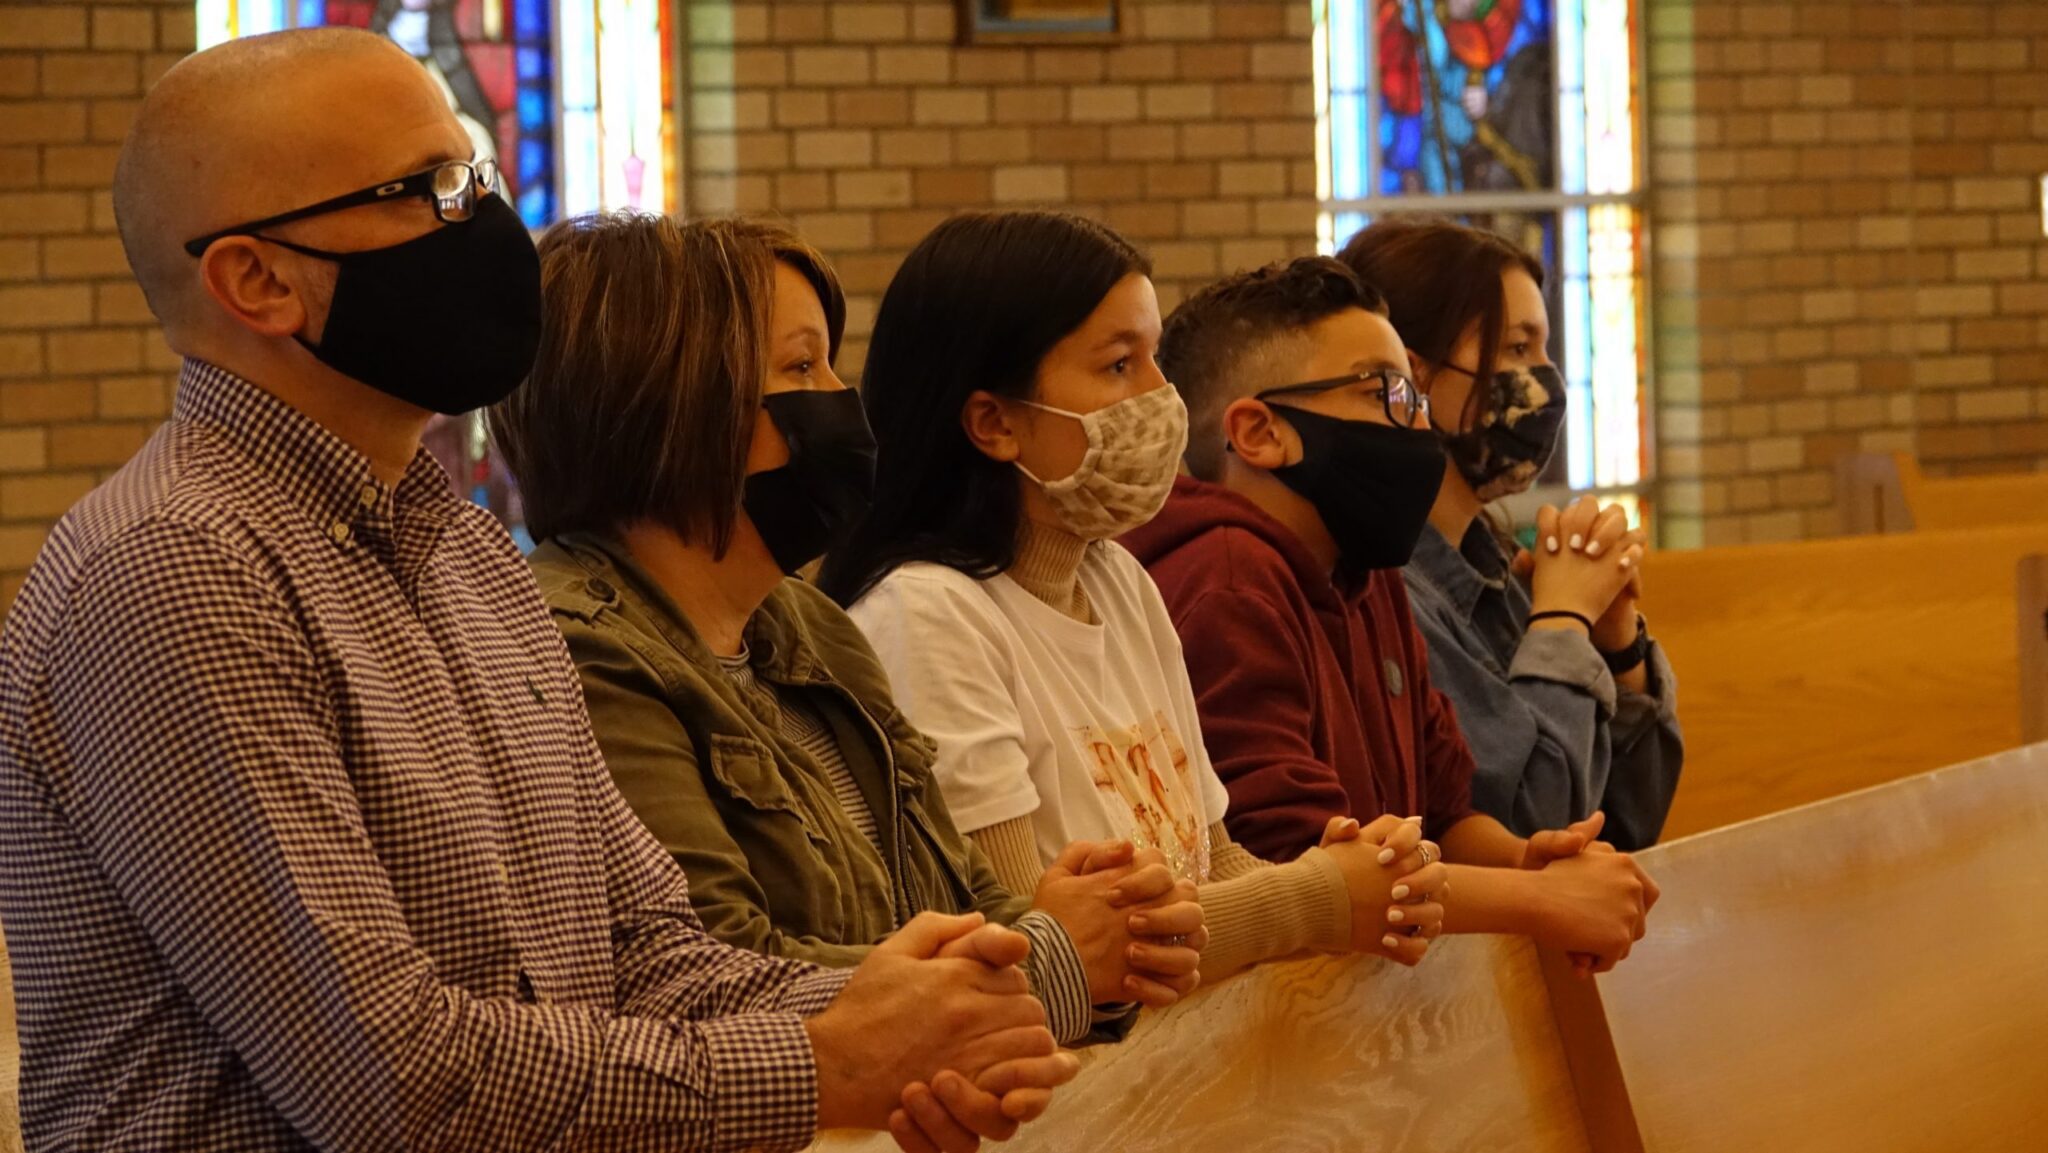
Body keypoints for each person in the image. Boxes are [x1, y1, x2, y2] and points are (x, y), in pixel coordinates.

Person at [0, 30, 1074, 1151]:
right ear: (257, 279)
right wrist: (822, 1065)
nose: (488, 231)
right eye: (427, 193)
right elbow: (392, 1084)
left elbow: (642, 952)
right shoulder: (176, 571)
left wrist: (908, 1020)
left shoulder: (468, 556)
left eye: (479, 178)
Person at [489, 212, 1207, 1052]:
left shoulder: (806, 624)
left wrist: (1098, 939)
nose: (843, 400)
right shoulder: (578, 651)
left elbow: (960, 889)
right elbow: (713, 971)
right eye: (802, 366)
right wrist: (1052, 959)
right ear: (674, 408)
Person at [822, 211, 1451, 984]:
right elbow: (1031, 941)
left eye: (1155, 357)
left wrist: (1375, 876)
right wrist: (1317, 896)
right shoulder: (926, 617)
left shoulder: (1117, 579)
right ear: (993, 421)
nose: (1162, 396)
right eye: (1120, 366)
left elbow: (1211, 857)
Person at [1122, 255, 1660, 975]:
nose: (1418, 423)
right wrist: (1536, 901)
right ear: (1257, 433)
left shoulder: (1363, 567)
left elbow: (1442, 809)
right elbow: (1307, 872)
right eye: (1386, 392)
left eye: (1413, 395)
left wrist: (1526, 860)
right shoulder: (1228, 584)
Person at [1339, 219, 1683, 850]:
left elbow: (1630, 825)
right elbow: (1530, 838)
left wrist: (1617, 649)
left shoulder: (1492, 561)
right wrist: (1560, 622)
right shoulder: (1388, 592)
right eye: (1517, 351)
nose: (1545, 383)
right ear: (1412, 377)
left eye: (1545, 351)